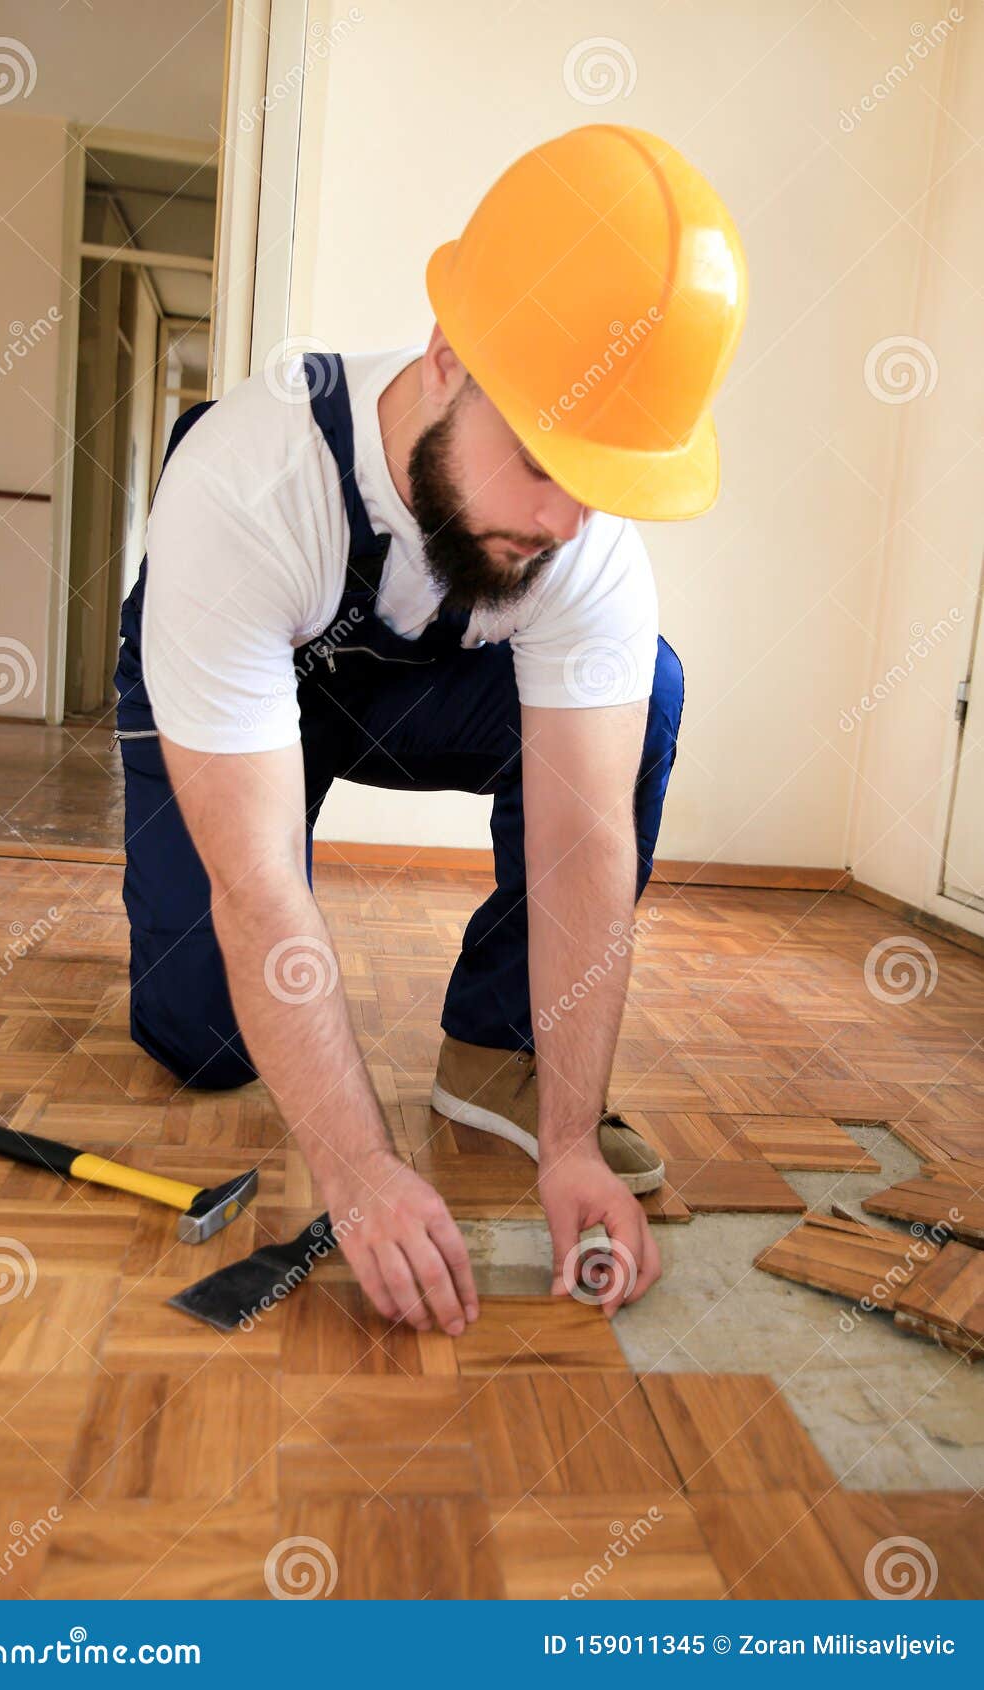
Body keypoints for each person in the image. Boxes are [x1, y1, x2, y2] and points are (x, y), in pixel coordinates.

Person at [112, 124, 748, 1337]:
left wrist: (570, 1141)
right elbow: (257, 890)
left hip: (405, 698)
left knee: (643, 690)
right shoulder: (250, 488)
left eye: (596, 481)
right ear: (449, 360)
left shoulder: (578, 538)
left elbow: (582, 844)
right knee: (200, 1038)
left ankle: (496, 1053)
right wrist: (354, 1173)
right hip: (241, 692)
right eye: (541, 464)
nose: (565, 522)